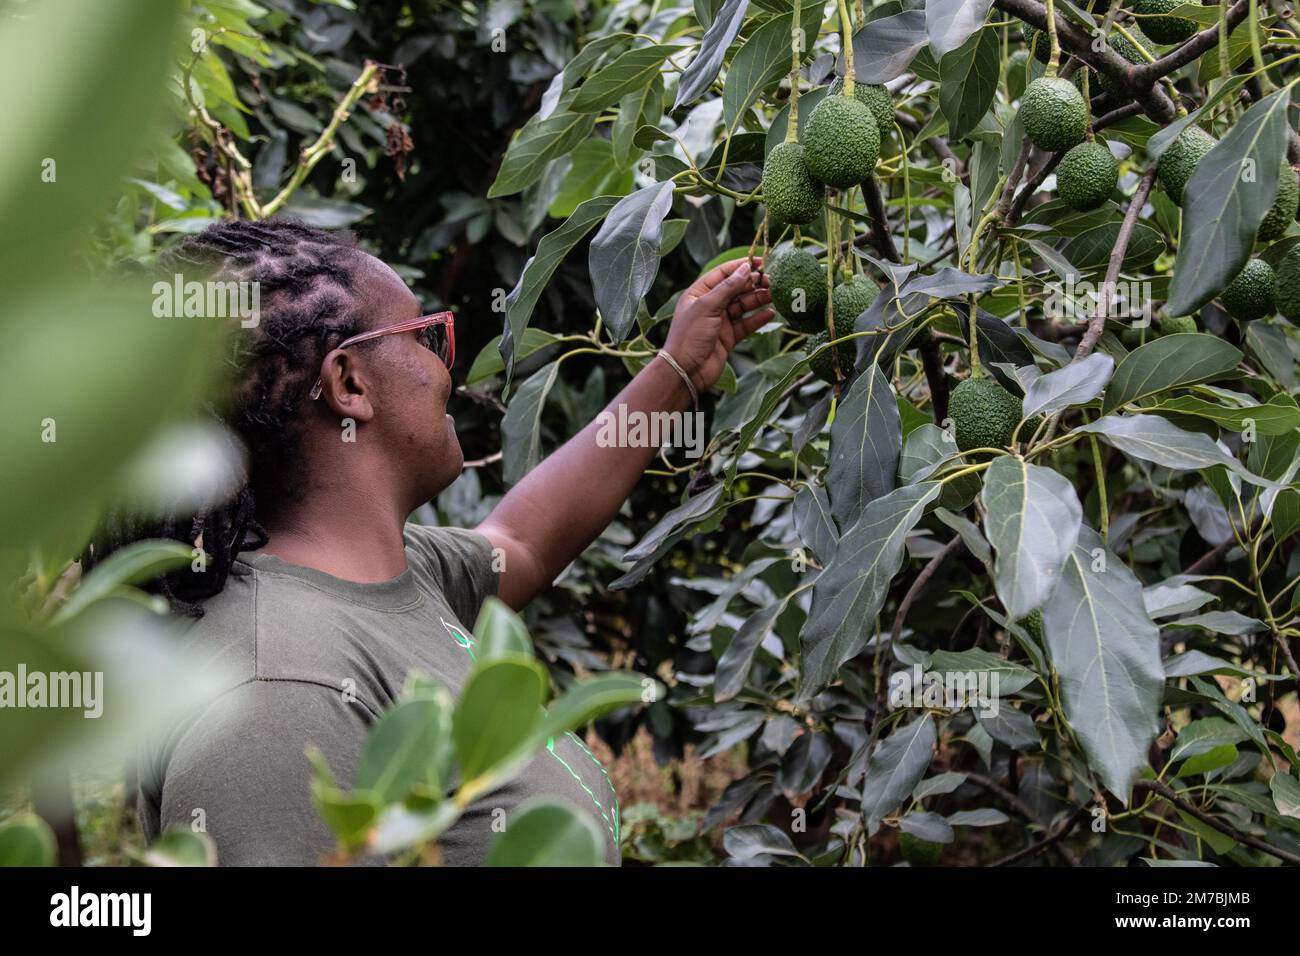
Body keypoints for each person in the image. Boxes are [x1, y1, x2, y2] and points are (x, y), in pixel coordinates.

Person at [92, 219, 773, 865]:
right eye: (425, 336)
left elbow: (522, 538)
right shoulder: (276, 694)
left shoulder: (398, 575)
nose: (445, 364)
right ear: (350, 383)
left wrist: (680, 368)